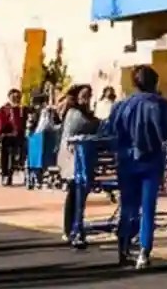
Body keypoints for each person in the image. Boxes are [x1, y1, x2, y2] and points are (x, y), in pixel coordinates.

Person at [102, 65, 167, 269]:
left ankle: (123, 247)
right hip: (151, 160)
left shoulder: (120, 106)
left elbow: (110, 131)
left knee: (127, 206)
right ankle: (144, 251)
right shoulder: (162, 105)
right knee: (148, 207)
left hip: (126, 160)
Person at [56, 84, 100, 246]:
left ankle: (74, 225)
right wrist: (98, 124)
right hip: (72, 158)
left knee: (78, 193)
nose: (87, 99)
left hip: (81, 158)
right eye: (84, 95)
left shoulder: (84, 113)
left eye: (89, 95)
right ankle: (70, 228)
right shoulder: (74, 113)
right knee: (74, 192)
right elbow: (82, 126)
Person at [0, 89, 27, 186]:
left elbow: (25, 122)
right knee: (5, 156)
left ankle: (11, 175)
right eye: (13, 97)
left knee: (15, 157)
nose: (16, 99)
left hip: (19, 136)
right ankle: (5, 175)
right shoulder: (4, 109)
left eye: (18, 97)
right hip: (6, 137)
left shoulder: (22, 109)